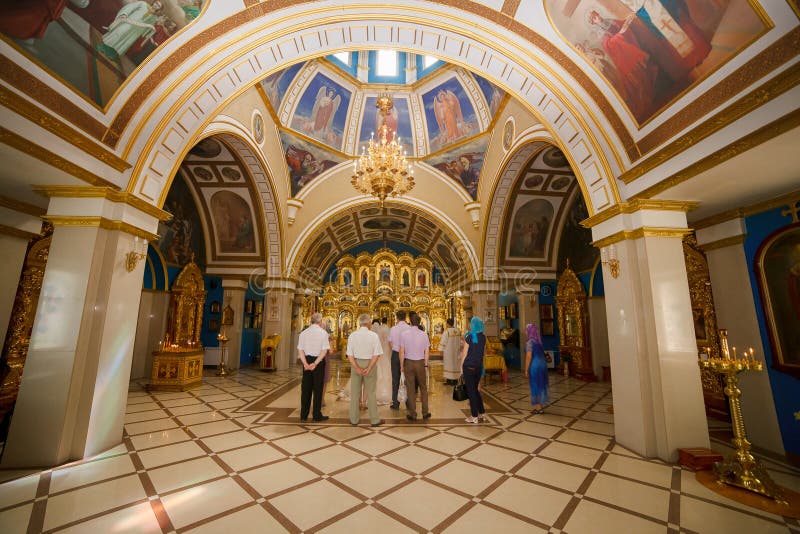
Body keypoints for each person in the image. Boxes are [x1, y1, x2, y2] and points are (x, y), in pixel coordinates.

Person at [345, 314, 384, 427]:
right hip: (370, 364)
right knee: (371, 393)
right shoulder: (373, 336)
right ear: (369, 324)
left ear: (359, 323)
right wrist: (369, 368)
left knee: (355, 393)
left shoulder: (353, 335)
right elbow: (376, 355)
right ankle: (374, 420)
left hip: (355, 363)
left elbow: (349, 355)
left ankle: (353, 419)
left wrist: (357, 368)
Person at [296, 312, 330, 422]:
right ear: (320, 322)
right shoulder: (323, 333)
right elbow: (324, 351)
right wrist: (315, 363)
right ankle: (316, 415)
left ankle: (303, 415)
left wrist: (305, 364)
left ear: (311, 321)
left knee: (306, 389)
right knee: (318, 389)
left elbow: (300, 349)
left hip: (306, 362)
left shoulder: (303, 333)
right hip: (318, 363)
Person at [399, 314, 430, 421]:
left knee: (411, 389)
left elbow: (402, 351)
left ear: (410, 322)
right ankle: (425, 412)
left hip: (408, 363)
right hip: (420, 363)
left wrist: (401, 365)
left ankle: (413, 413)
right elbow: (426, 352)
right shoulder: (424, 335)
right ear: (419, 322)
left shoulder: (404, 334)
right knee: (423, 388)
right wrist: (425, 365)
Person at [459, 316, 486, 423]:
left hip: (469, 367)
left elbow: (464, 354)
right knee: (475, 390)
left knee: (471, 392)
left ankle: (474, 416)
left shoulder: (469, 337)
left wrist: (461, 367)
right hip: (478, 367)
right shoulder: (483, 337)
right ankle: (482, 413)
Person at [387, 310, 411, 409]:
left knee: (395, 379)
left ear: (396, 317)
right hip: (407, 355)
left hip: (396, 355)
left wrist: (395, 349)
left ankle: (395, 404)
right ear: (405, 318)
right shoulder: (409, 328)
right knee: (408, 379)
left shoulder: (393, 329)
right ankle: (409, 403)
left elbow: (390, 342)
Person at [524, 323, 549, 414]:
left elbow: (528, 356)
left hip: (535, 366)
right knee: (541, 384)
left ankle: (539, 408)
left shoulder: (530, 342)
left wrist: (526, 369)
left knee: (535, 385)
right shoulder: (538, 342)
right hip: (543, 365)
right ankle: (540, 406)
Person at [439, 318, 461, 385]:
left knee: (449, 365)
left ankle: (449, 381)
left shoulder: (447, 332)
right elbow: (460, 341)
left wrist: (441, 350)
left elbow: (443, 342)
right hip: (456, 351)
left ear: (447, 324)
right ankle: (455, 380)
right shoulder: (458, 331)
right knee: (455, 365)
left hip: (448, 352)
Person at [375, 318, 392, 404]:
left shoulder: (380, 329)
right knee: (387, 363)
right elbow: (390, 341)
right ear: (387, 321)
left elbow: (378, 340)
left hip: (380, 348)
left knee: (380, 364)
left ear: (381, 321)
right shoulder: (389, 328)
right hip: (387, 348)